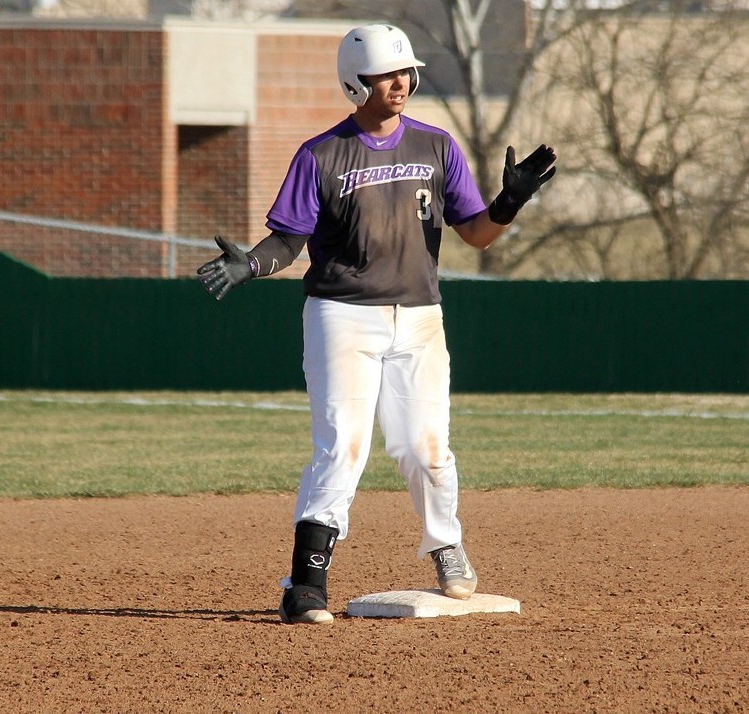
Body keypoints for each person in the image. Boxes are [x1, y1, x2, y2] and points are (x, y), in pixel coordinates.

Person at [198, 23, 556, 625]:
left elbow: (478, 234)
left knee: (427, 447)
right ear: (354, 83)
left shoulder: (437, 146)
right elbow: (289, 240)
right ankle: (306, 583)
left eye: (404, 72)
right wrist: (251, 264)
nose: (400, 82)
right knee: (343, 446)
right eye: (385, 74)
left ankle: (446, 545)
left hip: (419, 317)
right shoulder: (321, 154)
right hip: (342, 316)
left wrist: (511, 201)